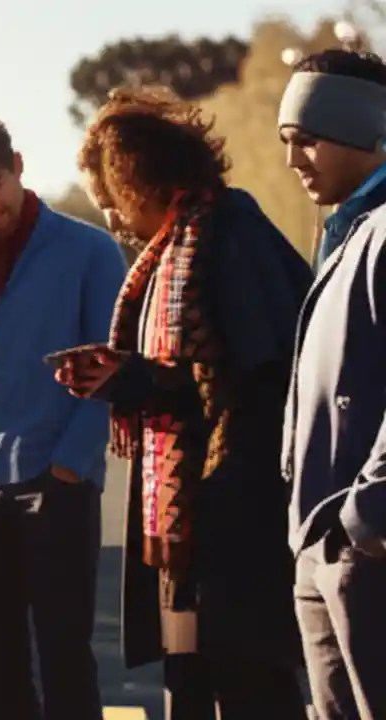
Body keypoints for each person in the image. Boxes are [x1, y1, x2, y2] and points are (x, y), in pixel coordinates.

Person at [58, 87, 312, 720]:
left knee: (251, 686)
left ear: (136, 184)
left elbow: (261, 373)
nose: (113, 220)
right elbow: (191, 375)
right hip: (191, 526)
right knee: (192, 680)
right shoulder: (172, 247)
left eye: (111, 202)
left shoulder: (231, 232)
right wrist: (122, 377)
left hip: (237, 522)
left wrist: (144, 382)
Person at [0, 117, 125, 720]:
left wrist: (70, 465)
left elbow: (114, 368)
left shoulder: (91, 249)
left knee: (65, 656)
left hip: (55, 484)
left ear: (18, 165)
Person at [279, 49, 386, 720]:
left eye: (306, 140)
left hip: (365, 554)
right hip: (327, 548)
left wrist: (366, 520)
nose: (294, 161)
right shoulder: (346, 232)